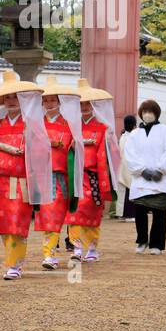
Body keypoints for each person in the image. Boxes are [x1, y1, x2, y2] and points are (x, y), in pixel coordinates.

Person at [0, 71, 49, 280]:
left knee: (18, 222)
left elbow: (41, 152)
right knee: (4, 225)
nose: (11, 101)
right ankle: (12, 259)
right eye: (8, 97)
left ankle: (14, 264)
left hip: (22, 180)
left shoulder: (31, 126)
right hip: (0, 181)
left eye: (15, 97)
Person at [121, 99, 166, 252]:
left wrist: (161, 170)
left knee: (159, 213)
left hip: (160, 179)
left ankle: (156, 244)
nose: (147, 115)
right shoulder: (135, 133)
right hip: (140, 179)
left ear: (156, 113)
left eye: (150, 112)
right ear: (141, 114)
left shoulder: (165, 130)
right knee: (140, 212)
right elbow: (129, 154)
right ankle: (141, 240)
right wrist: (142, 170)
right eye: (145, 112)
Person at [66, 79, 115, 261]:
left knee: (93, 211)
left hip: (93, 176)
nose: (84, 107)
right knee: (74, 210)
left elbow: (106, 154)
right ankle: (77, 247)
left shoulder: (102, 129)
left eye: (87, 104)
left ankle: (92, 247)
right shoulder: (71, 127)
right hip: (75, 176)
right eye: (80, 104)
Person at [36, 76, 80, 271]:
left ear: (60, 102)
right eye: (46, 100)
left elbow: (75, 148)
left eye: (53, 100)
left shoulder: (69, 124)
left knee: (60, 212)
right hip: (43, 174)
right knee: (48, 213)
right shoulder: (37, 124)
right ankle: (49, 253)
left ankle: (67, 247)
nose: (49, 103)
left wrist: (73, 145)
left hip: (62, 174)